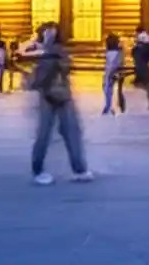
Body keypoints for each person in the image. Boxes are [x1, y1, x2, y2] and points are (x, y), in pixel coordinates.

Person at [27, 23, 93, 185]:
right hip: (51, 94)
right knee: (47, 133)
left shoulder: (55, 51)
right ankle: (40, 170)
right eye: (47, 32)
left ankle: (79, 169)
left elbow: (65, 67)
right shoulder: (38, 50)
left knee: (69, 131)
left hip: (60, 93)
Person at [131, 25, 149, 110]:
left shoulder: (141, 42)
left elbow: (137, 54)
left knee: (143, 84)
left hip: (142, 66)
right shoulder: (146, 41)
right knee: (145, 84)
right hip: (143, 65)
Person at [101, 32, 124, 115]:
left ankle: (111, 106)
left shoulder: (113, 53)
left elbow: (114, 63)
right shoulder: (118, 51)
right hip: (113, 72)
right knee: (111, 89)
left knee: (111, 89)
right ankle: (110, 106)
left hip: (113, 72)